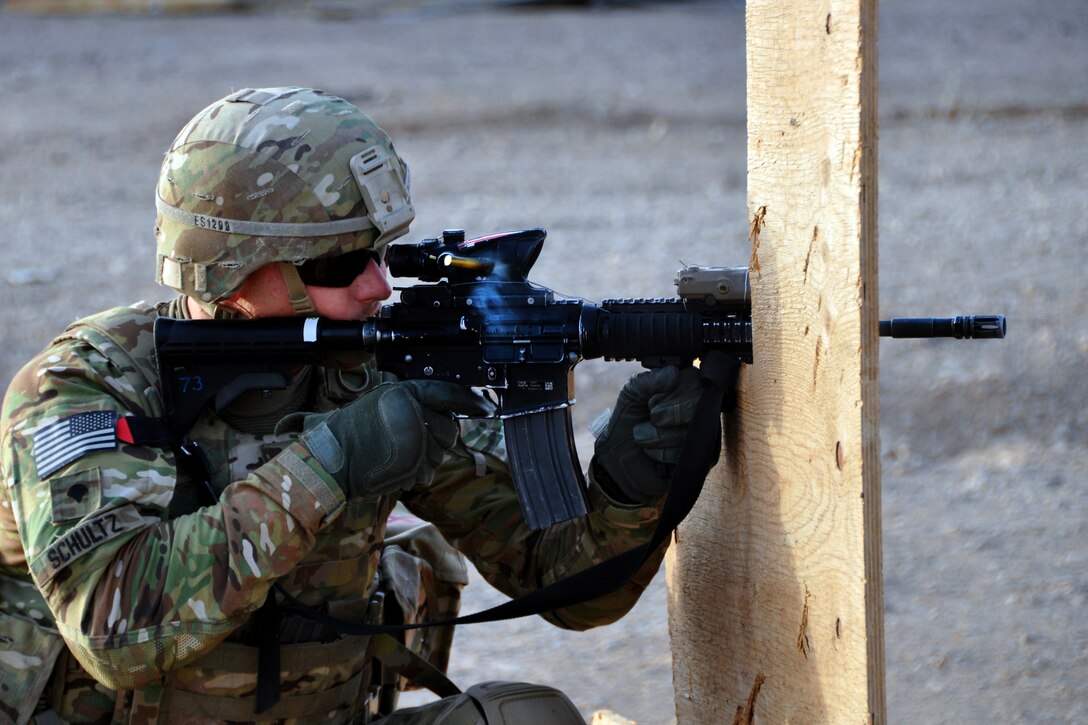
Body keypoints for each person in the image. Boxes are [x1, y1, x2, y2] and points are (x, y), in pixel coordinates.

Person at [0, 87, 720, 723]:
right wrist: (329, 464)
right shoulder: (87, 385)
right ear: (233, 268)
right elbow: (113, 630)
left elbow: (567, 585)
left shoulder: (369, 364)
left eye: (379, 252)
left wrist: (630, 486)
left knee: (528, 718)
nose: (377, 285)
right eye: (341, 264)